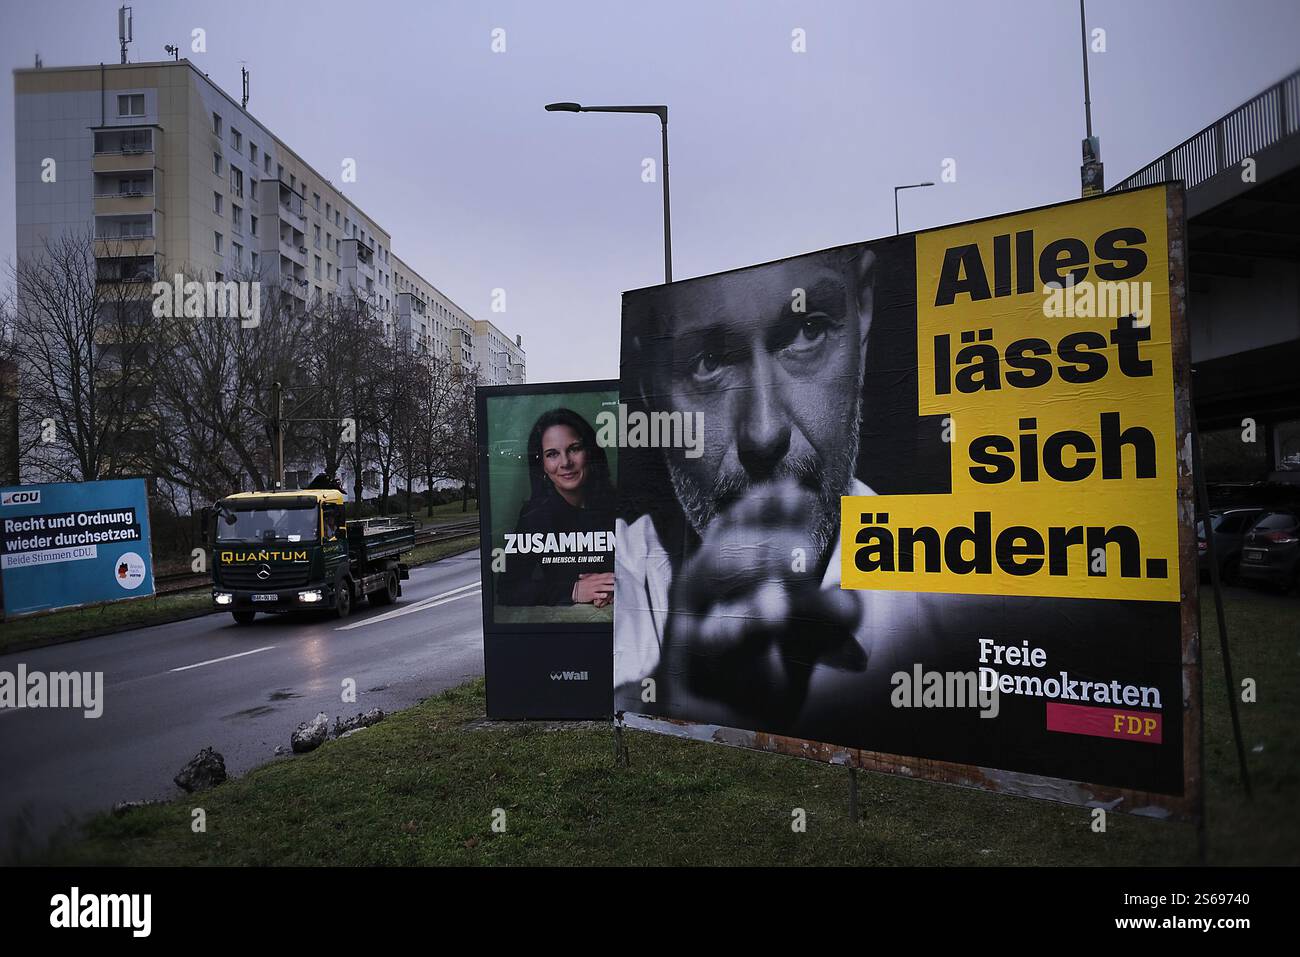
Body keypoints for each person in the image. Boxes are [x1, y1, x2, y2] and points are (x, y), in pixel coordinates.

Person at [615, 241, 948, 731]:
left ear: (864, 312)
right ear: (648, 385)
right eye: (707, 362)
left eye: (808, 331)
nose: (764, 431)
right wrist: (665, 708)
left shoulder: (960, 602)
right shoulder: (610, 587)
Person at [498, 407, 617, 608]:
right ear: (542, 464)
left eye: (574, 448)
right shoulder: (534, 517)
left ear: (590, 452)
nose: (565, 462)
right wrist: (573, 590)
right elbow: (508, 590)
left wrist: (617, 587)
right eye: (552, 454)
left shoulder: (621, 506)